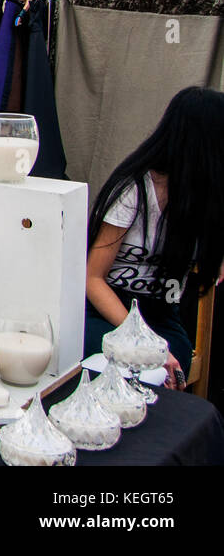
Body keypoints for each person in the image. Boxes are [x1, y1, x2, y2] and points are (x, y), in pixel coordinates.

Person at [83, 86, 224, 389]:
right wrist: (143, 343)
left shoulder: (205, 198)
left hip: (161, 315)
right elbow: (92, 278)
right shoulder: (134, 190)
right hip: (109, 312)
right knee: (127, 365)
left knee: (168, 368)